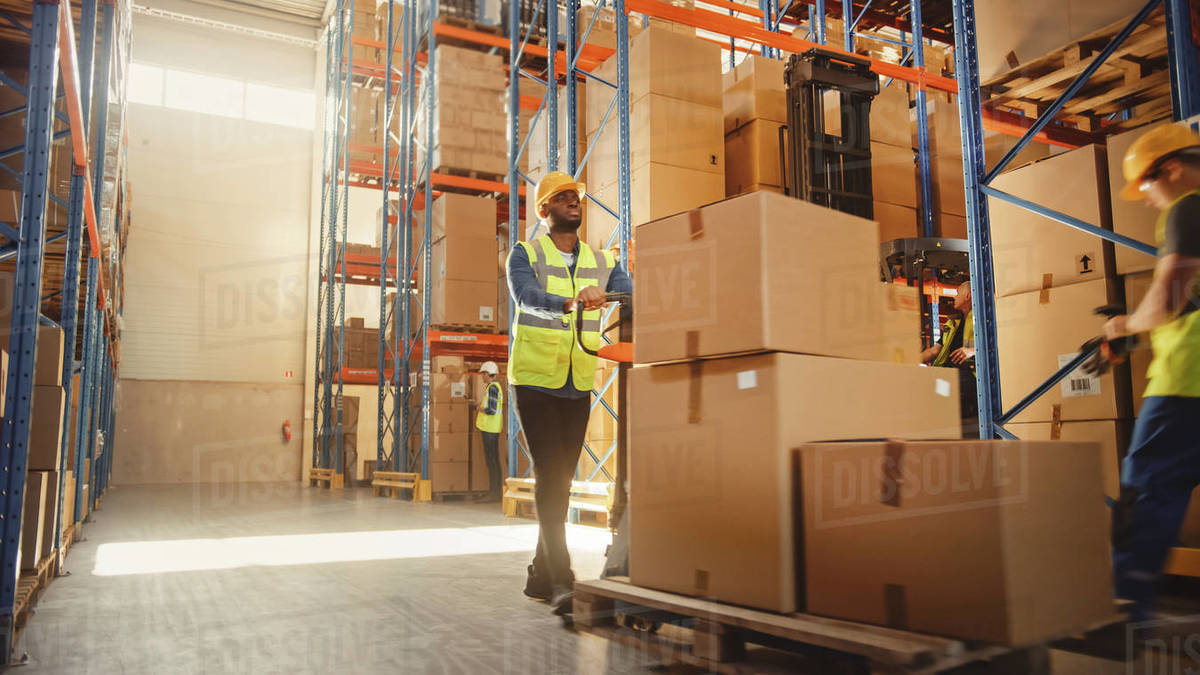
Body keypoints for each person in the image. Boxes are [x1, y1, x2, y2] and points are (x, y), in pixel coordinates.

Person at [506, 171, 633, 618]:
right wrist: (572, 302)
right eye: (562, 198)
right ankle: (562, 579)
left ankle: (539, 576)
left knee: (560, 478)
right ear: (545, 212)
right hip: (536, 379)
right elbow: (526, 298)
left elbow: (632, 293)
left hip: (577, 381)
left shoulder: (602, 260)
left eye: (576, 197)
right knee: (551, 476)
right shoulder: (524, 254)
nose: (573, 203)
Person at [1102, 123, 1200, 625]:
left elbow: (1167, 299)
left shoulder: (1189, 207)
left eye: (1145, 184)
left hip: (1187, 383)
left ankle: (1127, 608)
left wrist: (1125, 326)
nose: (1144, 198)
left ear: (1172, 168)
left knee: (1146, 490)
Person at [919, 280, 978, 436]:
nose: (954, 297)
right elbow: (934, 351)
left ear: (968, 295)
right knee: (927, 383)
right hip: (950, 374)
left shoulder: (982, 319)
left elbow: (998, 345)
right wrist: (908, 360)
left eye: (957, 293)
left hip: (971, 375)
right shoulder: (953, 323)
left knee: (940, 387)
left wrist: (972, 351)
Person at [474, 361, 504, 504]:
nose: (482, 376)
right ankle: (495, 492)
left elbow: (491, 409)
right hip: (492, 429)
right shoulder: (494, 387)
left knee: (492, 462)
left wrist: (479, 407)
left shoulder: (493, 388)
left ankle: (494, 493)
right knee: (494, 461)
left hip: (490, 430)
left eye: (483, 374)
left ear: (487, 373)